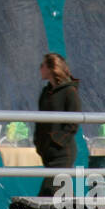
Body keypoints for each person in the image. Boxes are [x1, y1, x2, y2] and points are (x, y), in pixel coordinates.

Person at [35, 53, 81, 197]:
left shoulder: (69, 92)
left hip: (62, 152)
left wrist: (57, 140)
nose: (40, 68)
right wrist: (39, 142)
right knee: (63, 196)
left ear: (51, 68)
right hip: (48, 152)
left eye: (42, 65)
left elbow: (73, 121)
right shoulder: (46, 92)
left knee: (49, 192)